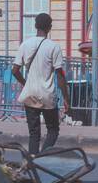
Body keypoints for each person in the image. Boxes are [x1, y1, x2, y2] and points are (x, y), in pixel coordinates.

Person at [11, 13, 70, 154]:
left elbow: (14, 70)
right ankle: (43, 157)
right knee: (53, 130)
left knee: (34, 133)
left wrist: (26, 84)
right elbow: (60, 75)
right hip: (47, 95)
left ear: (35, 26)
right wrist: (66, 98)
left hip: (30, 94)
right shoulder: (54, 47)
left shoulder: (25, 44)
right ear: (49, 27)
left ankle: (32, 161)